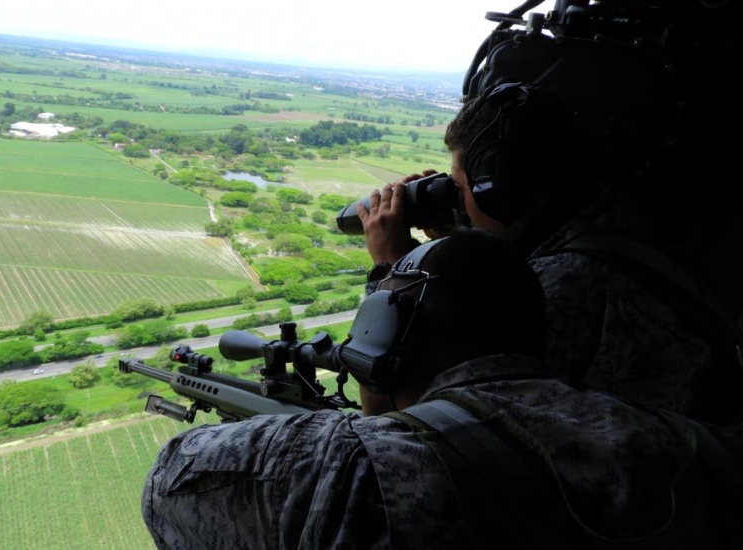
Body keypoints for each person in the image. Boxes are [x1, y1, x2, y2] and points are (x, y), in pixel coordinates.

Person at [142, 230, 730, 550]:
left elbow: (167, 485)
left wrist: (363, 406)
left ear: (381, 341)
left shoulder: (343, 469)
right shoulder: (690, 446)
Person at [357, 81, 741, 426]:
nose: (458, 201)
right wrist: (455, 239)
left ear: (501, 191)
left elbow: (402, 430)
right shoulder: (623, 220)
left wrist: (391, 275)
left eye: (461, 187)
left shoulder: (552, 292)